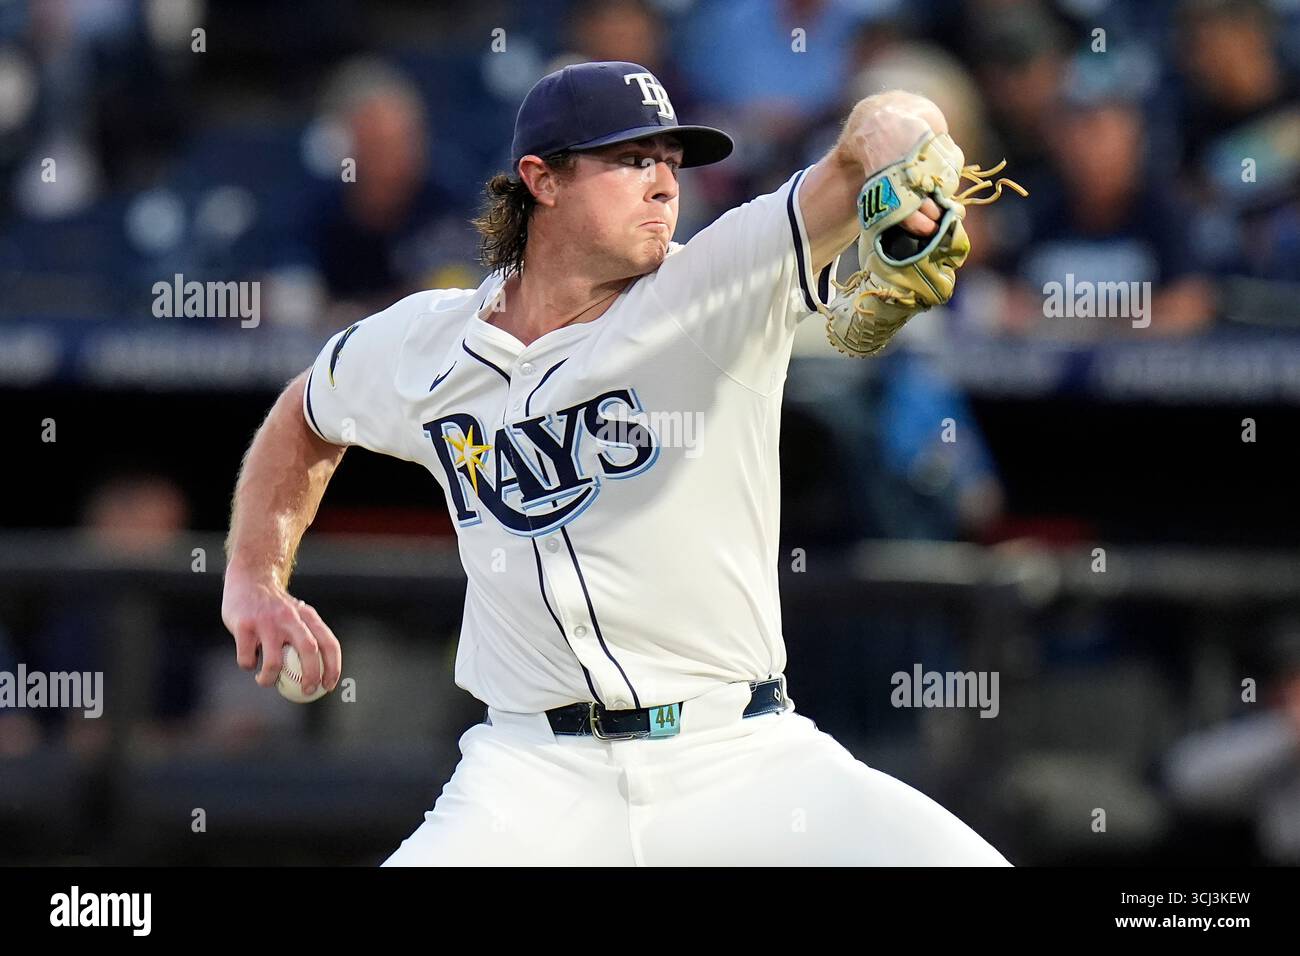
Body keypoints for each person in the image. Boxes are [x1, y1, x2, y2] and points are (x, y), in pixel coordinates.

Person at [221, 61, 1011, 865]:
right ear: (542, 180)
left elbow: (873, 134)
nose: (665, 184)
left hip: (738, 760)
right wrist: (255, 575)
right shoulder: (427, 340)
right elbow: (308, 413)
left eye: (671, 161)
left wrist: (908, 156)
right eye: (633, 160)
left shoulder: (716, 282)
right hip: (531, 778)